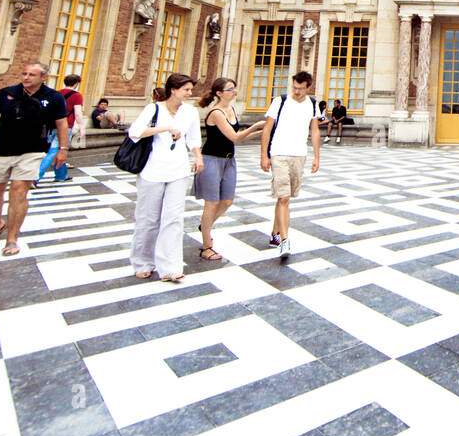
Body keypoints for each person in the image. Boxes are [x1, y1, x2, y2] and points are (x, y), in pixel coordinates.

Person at [0, 61, 69, 256]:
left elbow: (61, 124)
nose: (26, 77)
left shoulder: (54, 97)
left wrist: (63, 149)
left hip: (32, 150)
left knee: (19, 192)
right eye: (24, 73)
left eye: (31, 75)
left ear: (44, 78)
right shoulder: (6, 93)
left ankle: (12, 238)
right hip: (0, 149)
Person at [128, 73, 203, 282]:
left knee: (174, 218)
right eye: (186, 89)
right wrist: (167, 127)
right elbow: (134, 132)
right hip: (152, 170)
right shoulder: (154, 109)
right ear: (173, 89)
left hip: (179, 170)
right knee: (148, 218)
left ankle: (170, 266)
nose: (190, 93)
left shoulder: (190, 112)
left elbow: (194, 139)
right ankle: (142, 261)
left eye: (190, 89)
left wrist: (198, 157)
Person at [195, 77, 264, 262]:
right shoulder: (216, 112)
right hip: (211, 160)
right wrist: (256, 126)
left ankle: (205, 226)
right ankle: (206, 246)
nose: (234, 91)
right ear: (219, 93)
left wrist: (259, 133)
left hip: (228, 160)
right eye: (230, 89)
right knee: (212, 203)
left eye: (234, 88)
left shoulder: (232, 109)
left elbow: (238, 138)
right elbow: (234, 136)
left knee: (227, 201)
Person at [260, 71, 319, 260]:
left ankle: (275, 234)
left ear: (308, 87)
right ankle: (285, 241)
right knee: (284, 197)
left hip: (299, 154)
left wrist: (316, 157)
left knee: (285, 198)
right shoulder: (280, 101)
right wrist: (264, 155)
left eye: (301, 88)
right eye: (294, 87)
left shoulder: (313, 104)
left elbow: (315, 131)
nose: (297, 91)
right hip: (279, 153)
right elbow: (267, 128)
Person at [36, 73, 84, 185]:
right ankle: (35, 177)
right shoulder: (77, 95)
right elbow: (77, 113)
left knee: (59, 150)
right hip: (66, 126)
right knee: (54, 150)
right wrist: (81, 127)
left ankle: (61, 175)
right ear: (76, 83)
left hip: (51, 125)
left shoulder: (56, 93)